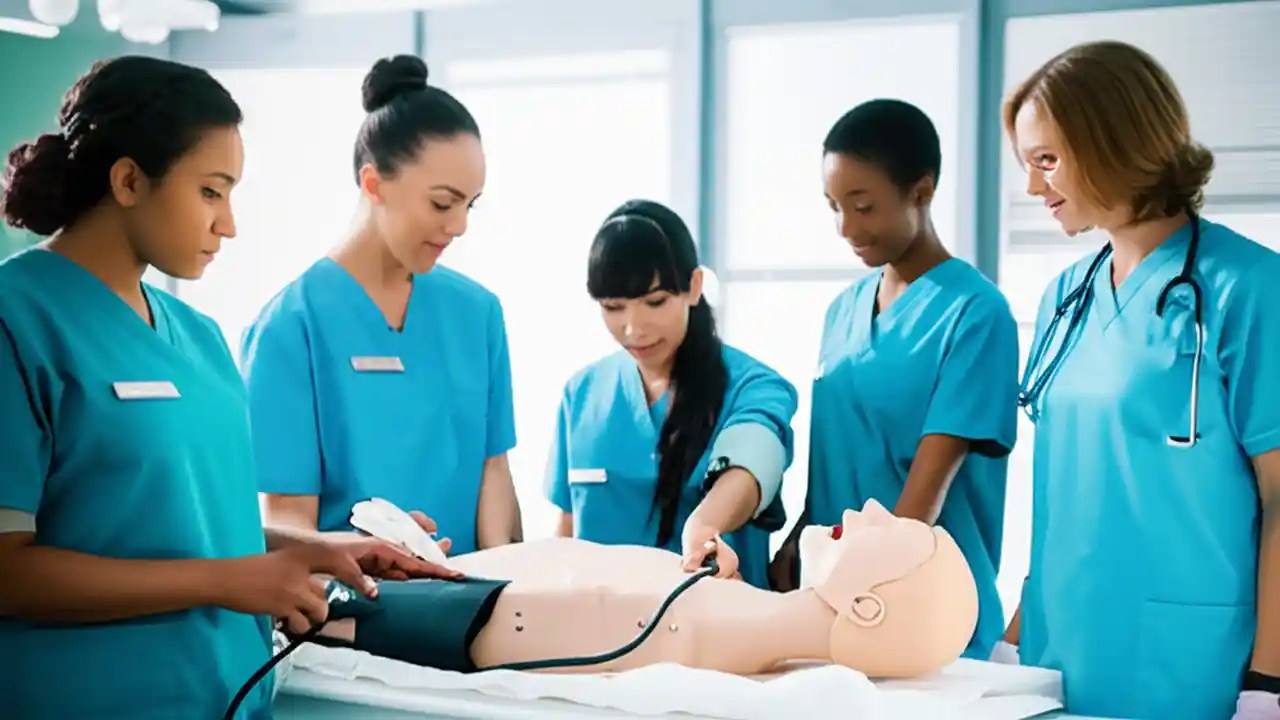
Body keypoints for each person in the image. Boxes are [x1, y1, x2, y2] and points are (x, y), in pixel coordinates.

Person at [0, 56, 455, 720]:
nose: (229, 223)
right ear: (128, 180)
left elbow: (189, 524)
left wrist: (323, 550)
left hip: (228, 698)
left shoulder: (202, 339)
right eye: (211, 191)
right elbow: (7, 570)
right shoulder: (19, 321)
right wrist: (228, 580)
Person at [1001, 41, 1280, 720]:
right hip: (1055, 655)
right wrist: (1013, 637)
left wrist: (1269, 682)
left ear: (1114, 141)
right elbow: (1065, 493)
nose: (1035, 188)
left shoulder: (1250, 289)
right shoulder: (1064, 299)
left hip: (1190, 667)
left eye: (1047, 160)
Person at [766, 99, 1019, 663]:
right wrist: (799, 540)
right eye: (833, 206)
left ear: (921, 191)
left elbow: (922, 501)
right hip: (831, 603)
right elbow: (835, 455)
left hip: (923, 613)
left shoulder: (975, 314)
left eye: (864, 206)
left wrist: (861, 587)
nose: (845, 228)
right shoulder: (841, 311)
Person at [240, 55, 521, 556]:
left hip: (472, 606)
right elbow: (287, 519)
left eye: (469, 205)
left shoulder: (478, 314)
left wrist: (505, 593)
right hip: (351, 615)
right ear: (374, 184)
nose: (459, 226)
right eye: (442, 203)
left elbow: (492, 472)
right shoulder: (290, 328)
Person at [311, 499, 978, 678]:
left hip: (380, 601)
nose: (866, 508)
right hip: (417, 580)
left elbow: (545, 623)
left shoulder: (714, 622)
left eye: (886, 531)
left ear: (866, 607)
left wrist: (346, 610)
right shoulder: (729, 608)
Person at [543, 199, 798, 589]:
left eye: (655, 302)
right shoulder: (581, 394)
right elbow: (567, 530)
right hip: (596, 636)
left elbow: (754, 454)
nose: (633, 328)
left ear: (693, 288)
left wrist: (706, 522)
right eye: (613, 307)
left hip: (717, 634)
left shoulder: (754, 386)